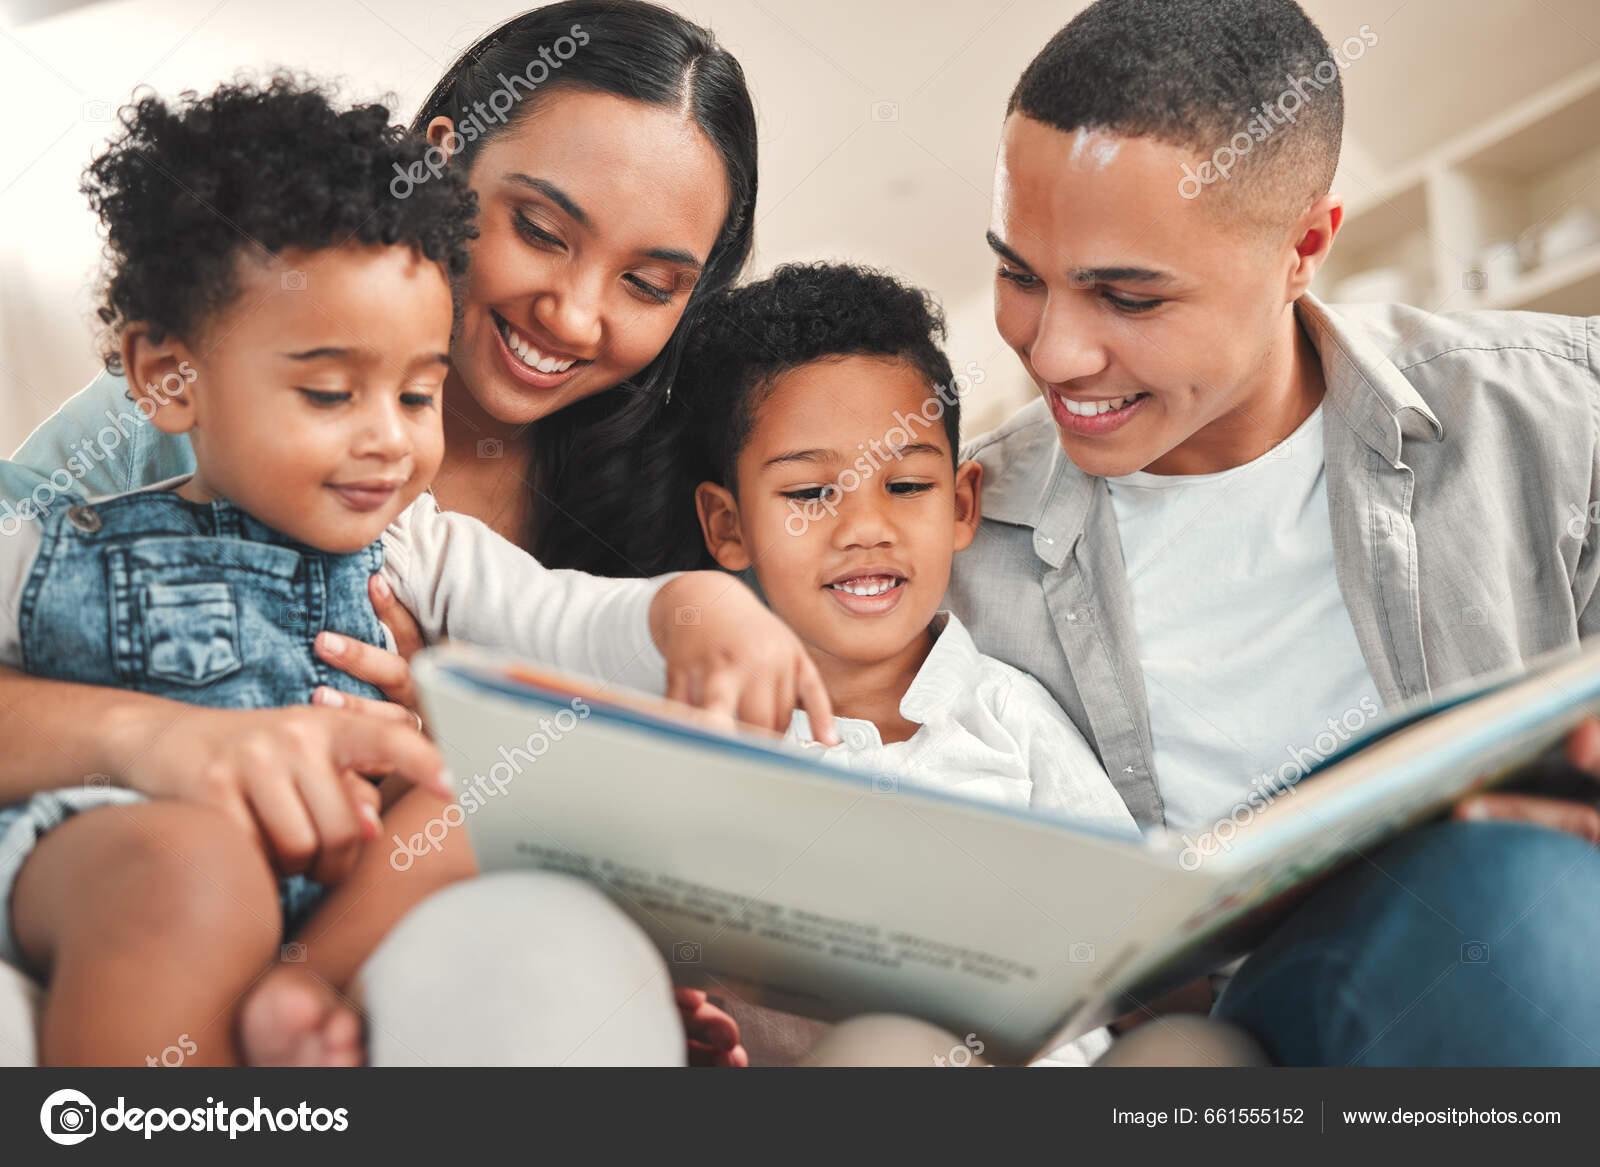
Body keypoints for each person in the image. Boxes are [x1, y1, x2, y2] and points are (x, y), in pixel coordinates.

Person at [0, 0, 795, 1067]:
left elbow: (601, 674)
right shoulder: (163, 424)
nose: (572, 312)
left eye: (648, 285)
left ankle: (297, 1003)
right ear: (439, 170)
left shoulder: (656, 499)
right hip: (138, 854)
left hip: (365, 894)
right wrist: (172, 740)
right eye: (541, 232)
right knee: (188, 880)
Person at [948, 0, 1600, 1063]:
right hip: (1188, 1050)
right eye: (1019, 275)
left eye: (1127, 297)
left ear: (1304, 247)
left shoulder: (1561, 416)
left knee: (1514, 895)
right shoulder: (951, 543)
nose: (1054, 352)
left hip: (1501, 982)